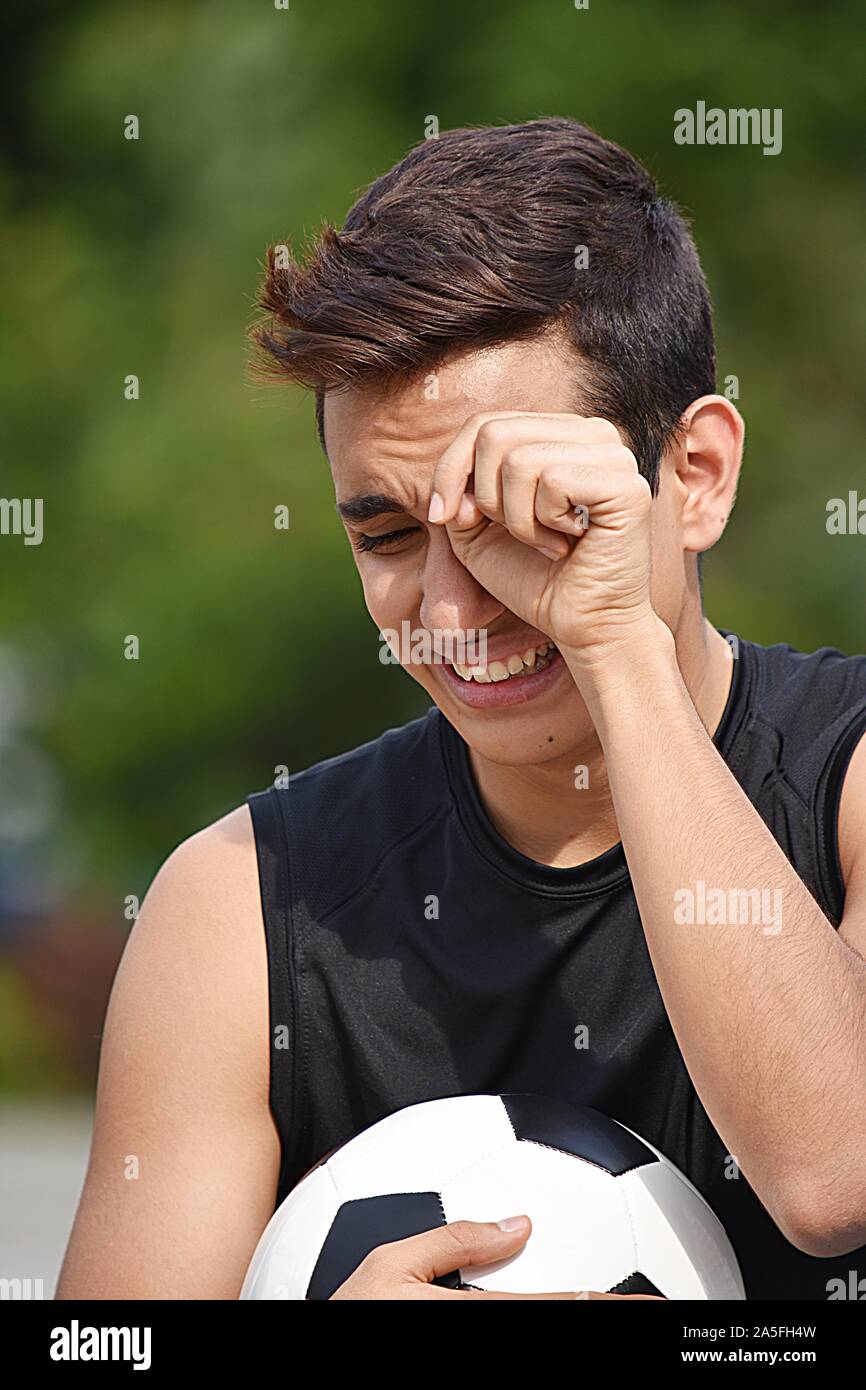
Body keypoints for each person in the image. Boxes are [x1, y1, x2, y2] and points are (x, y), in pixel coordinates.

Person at [58, 118, 866, 1301]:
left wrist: (613, 645)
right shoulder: (240, 905)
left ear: (690, 476)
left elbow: (832, 1174)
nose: (449, 607)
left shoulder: (844, 778)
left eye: (521, 515)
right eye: (385, 533)